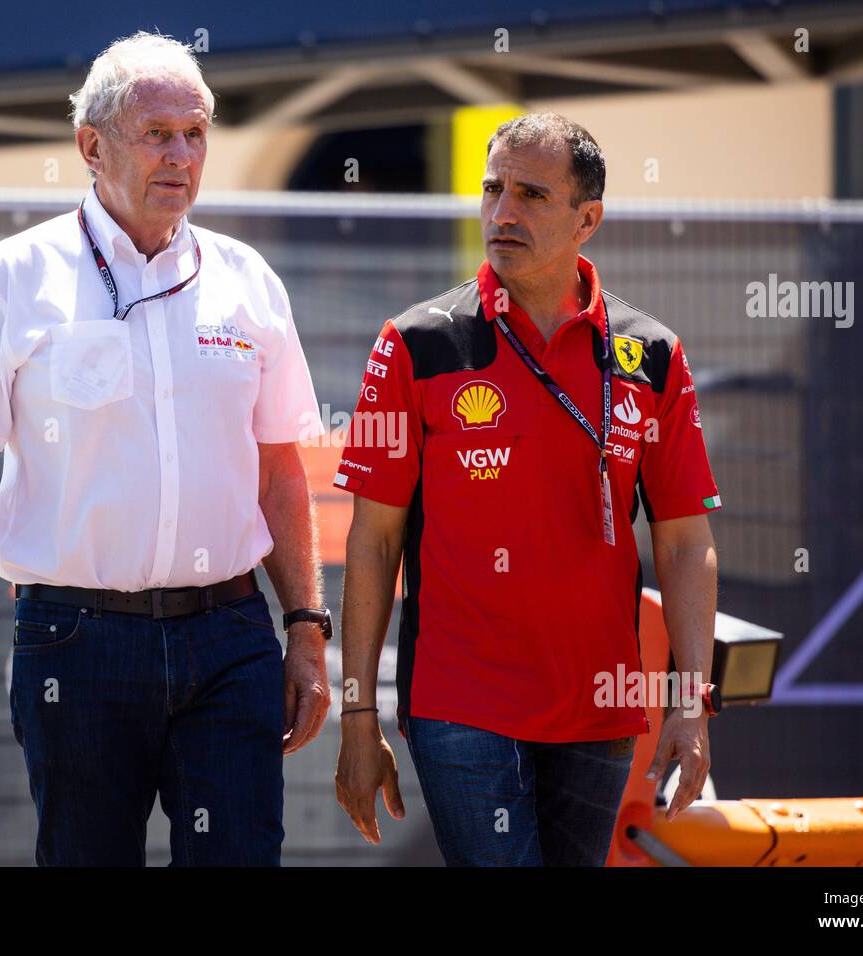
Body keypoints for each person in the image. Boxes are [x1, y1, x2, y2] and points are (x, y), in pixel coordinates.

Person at [0, 32, 332, 866]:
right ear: (91, 147)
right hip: (76, 642)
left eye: (196, 133)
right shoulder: (11, 277)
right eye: (157, 134)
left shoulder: (249, 280)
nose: (181, 155)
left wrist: (307, 634)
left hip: (230, 636)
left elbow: (281, 471)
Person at [333, 113, 721, 866]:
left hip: (602, 706)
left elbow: (686, 541)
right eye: (493, 190)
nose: (503, 212)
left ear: (587, 220)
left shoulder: (651, 355)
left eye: (532, 195)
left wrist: (691, 702)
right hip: (461, 705)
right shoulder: (416, 343)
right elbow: (373, 542)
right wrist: (357, 715)